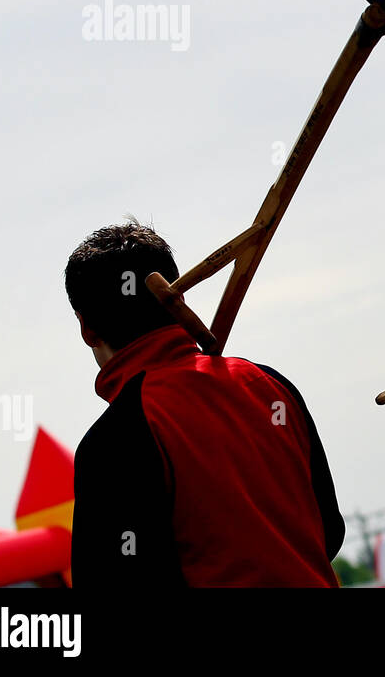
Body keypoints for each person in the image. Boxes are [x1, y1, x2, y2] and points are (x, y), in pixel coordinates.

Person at [64, 218, 344, 586]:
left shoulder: (115, 437)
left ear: (86, 328)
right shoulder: (269, 383)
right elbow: (329, 531)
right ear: (176, 297)